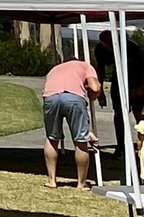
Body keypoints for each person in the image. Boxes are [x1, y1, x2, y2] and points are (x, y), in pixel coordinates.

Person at [41, 51, 102, 189]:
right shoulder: (85, 65)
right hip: (73, 97)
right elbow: (95, 87)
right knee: (80, 140)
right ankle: (81, 182)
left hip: (50, 97)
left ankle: (51, 180)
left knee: (52, 138)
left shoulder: (55, 69)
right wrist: (94, 95)